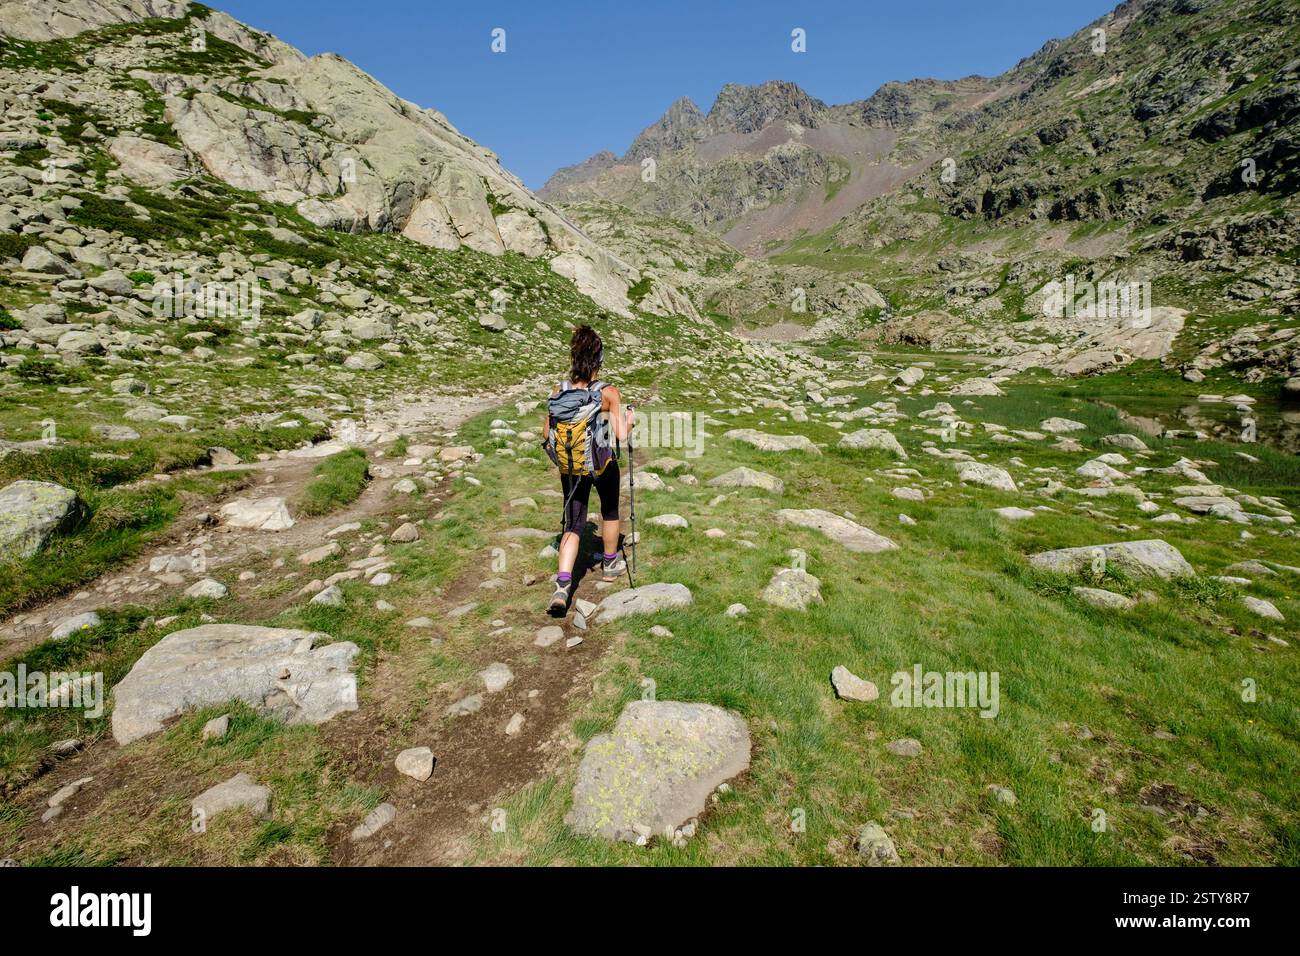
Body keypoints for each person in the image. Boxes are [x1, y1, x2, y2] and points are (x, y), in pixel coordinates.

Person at [542, 325, 633, 615]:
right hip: (601, 463)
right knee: (609, 510)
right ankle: (609, 563)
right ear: (598, 359)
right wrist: (629, 418)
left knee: (573, 523)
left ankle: (562, 587)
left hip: (572, 466)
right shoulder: (608, 392)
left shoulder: (560, 391)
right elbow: (620, 435)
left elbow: (546, 434)